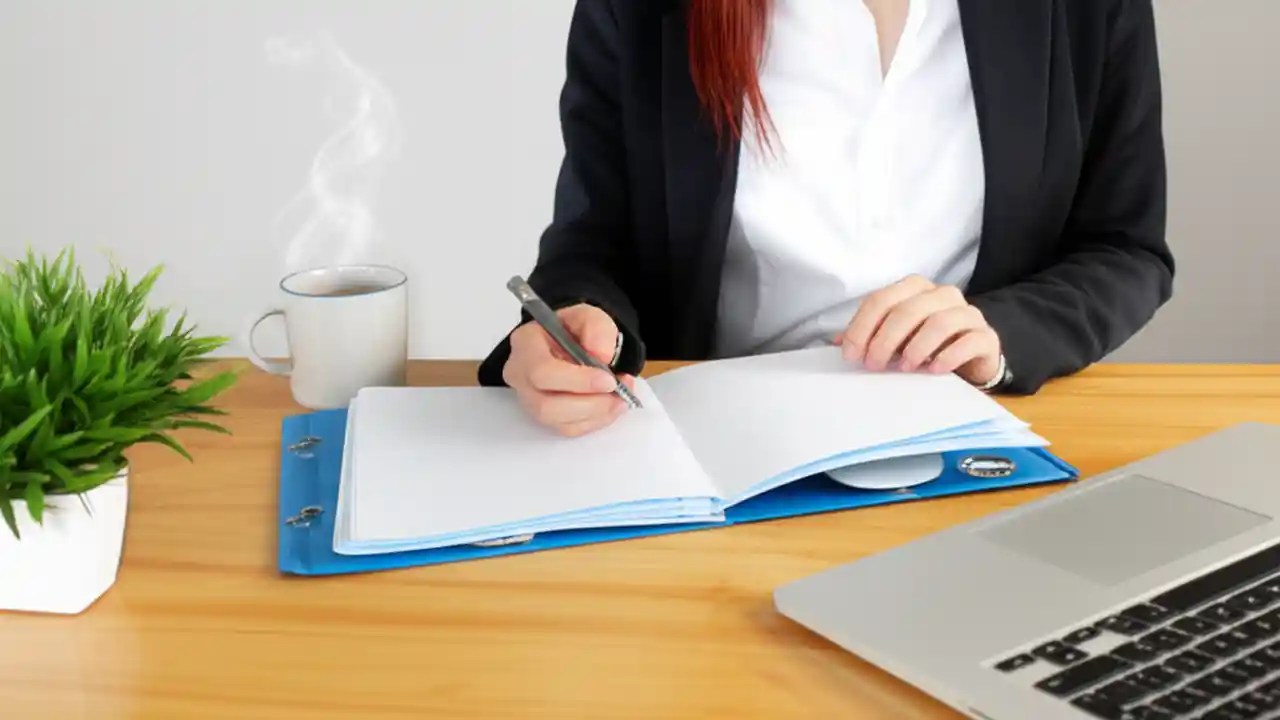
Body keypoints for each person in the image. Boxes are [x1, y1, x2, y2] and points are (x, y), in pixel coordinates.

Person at [479, 0, 1174, 437]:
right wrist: (573, 326)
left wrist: (1001, 332)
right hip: (722, 449)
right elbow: (593, 242)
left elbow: (1125, 248)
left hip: (980, 437)